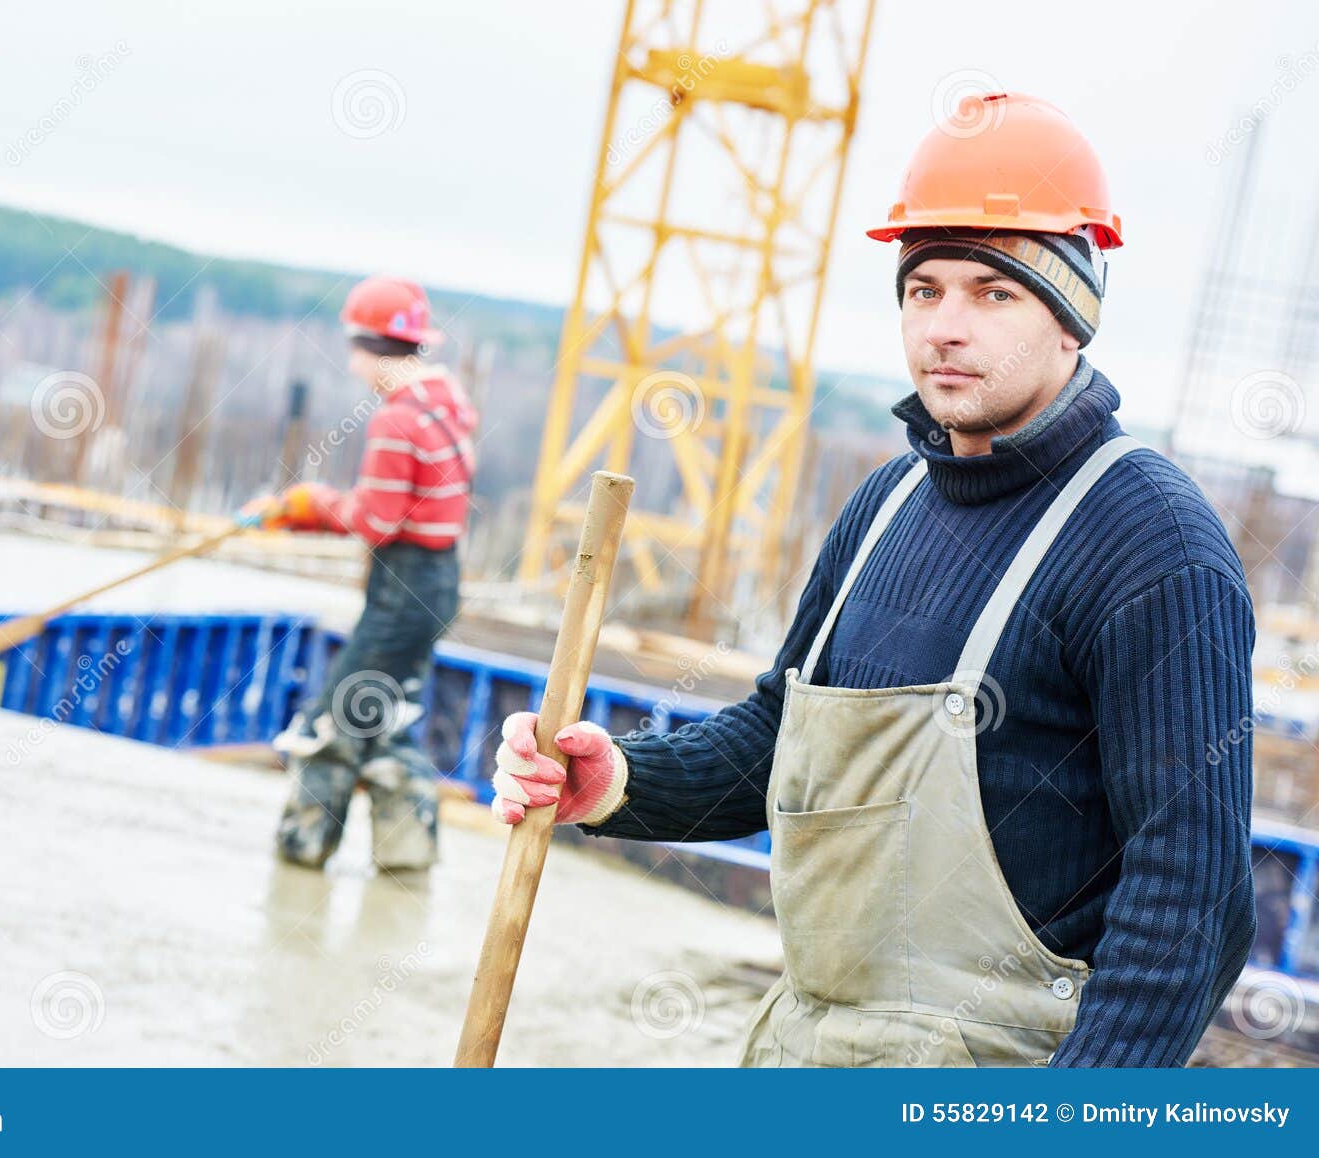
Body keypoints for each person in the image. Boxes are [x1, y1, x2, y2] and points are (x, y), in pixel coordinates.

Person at [489, 93, 1256, 1067]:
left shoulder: (1147, 541)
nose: (944, 327)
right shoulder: (888, 502)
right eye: (923, 289)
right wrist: (620, 780)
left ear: (1074, 318)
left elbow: (1190, 895)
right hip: (807, 1052)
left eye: (992, 292)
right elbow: (780, 742)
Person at [251, 276, 477, 872]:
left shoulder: (398, 419)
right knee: (387, 719)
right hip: (436, 584)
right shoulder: (444, 407)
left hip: (402, 590)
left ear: (364, 346)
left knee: (335, 721)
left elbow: (377, 519)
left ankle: (300, 858)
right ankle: (407, 863)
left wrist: (307, 505)